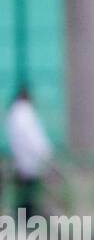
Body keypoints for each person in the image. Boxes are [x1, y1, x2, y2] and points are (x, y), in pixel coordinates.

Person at [4, 86, 52, 217]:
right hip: (29, 160)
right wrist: (45, 152)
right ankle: (28, 218)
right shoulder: (24, 113)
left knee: (24, 191)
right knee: (29, 192)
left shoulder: (14, 113)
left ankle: (24, 216)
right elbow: (34, 137)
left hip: (22, 159)